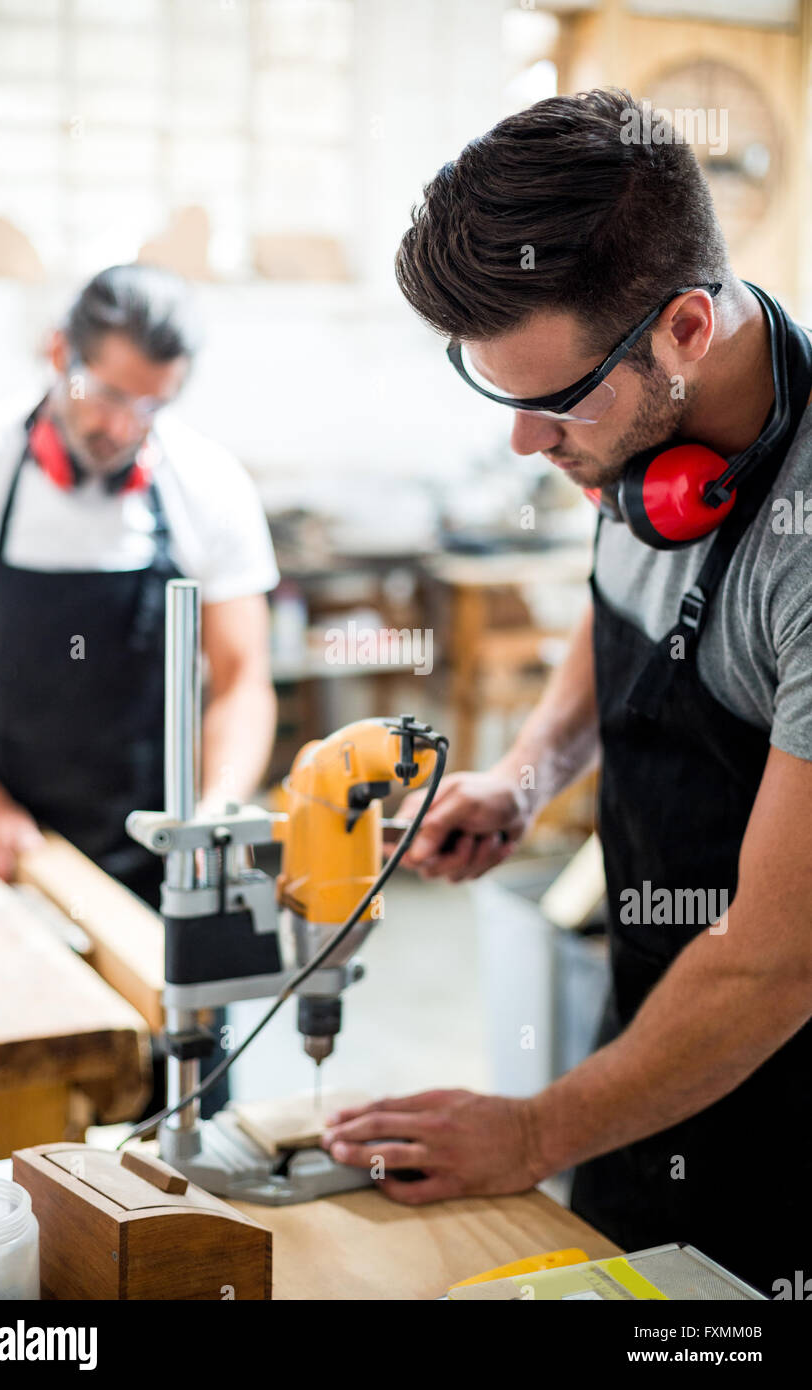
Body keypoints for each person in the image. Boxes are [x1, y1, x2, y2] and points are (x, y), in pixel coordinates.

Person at [320, 90, 812, 1295]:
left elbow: (774, 960)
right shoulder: (634, 431)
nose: (523, 446)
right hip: (654, 1036)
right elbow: (626, 618)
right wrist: (525, 775)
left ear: (685, 327)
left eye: (550, 401)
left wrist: (534, 1133)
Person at [0, 263, 279, 1116]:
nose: (121, 424)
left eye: (151, 406)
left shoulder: (204, 486)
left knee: (182, 1108)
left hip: (161, 853)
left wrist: (213, 810)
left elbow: (242, 678)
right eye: (104, 394)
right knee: (16, 1097)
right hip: (10, 845)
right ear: (58, 353)